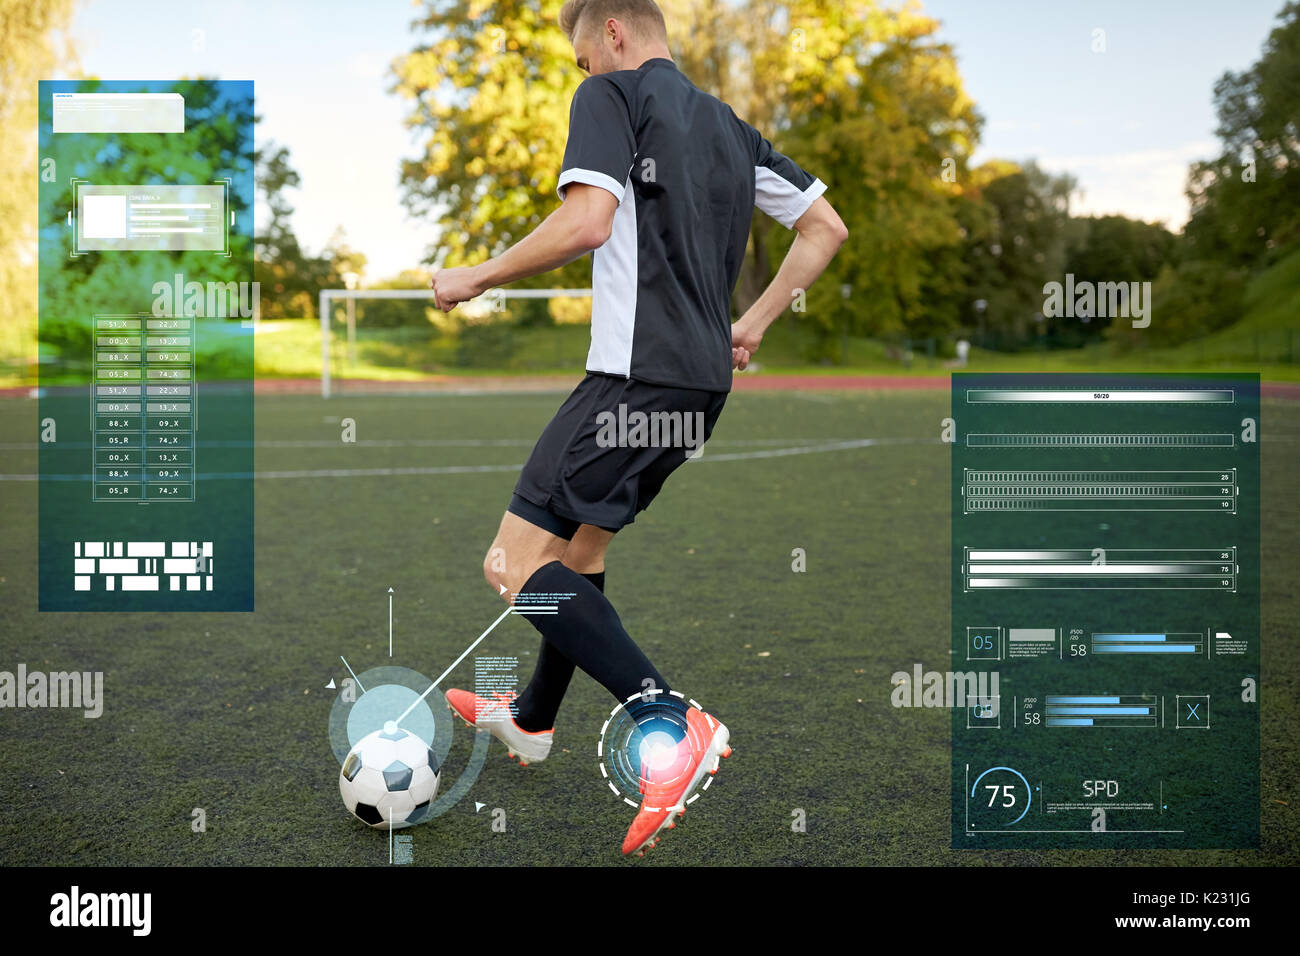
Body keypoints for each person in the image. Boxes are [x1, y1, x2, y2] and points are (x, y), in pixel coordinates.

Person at [430, 0, 847, 857]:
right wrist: (756, 321)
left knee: (513, 564)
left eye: (582, 60)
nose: (584, 76)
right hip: (699, 387)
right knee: (580, 555)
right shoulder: (729, 126)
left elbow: (588, 221)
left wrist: (477, 274)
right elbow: (825, 226)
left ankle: (670, 721)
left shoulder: (612, 95)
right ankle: (535, 721)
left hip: (631, 379)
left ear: (612, 35)